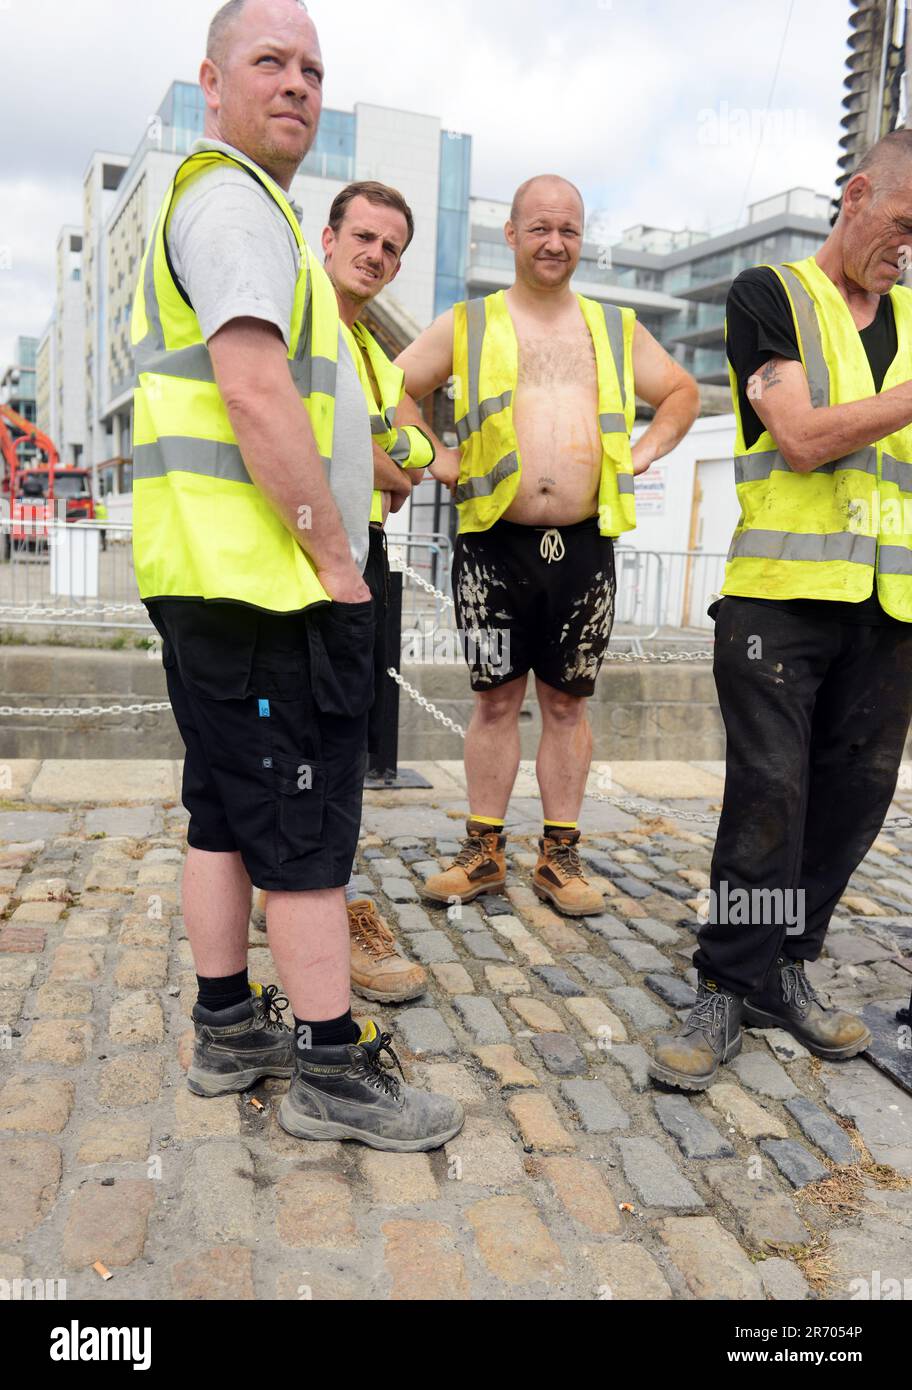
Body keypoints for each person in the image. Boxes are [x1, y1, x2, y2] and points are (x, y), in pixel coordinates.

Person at [132, 0, 463, 1151]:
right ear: (213, 85)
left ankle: (229, 1025)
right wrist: (335, 557)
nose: (297, 85)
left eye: (314, 69)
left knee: (223, 810)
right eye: (269, 62)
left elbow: (314, 409)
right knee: (309, 825)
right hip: (270, 586)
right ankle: (333, 1064)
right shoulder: (233, 203)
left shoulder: (246, 209)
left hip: (214, 577)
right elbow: (254, 392)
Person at [650, 130, 912, 1091]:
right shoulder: (772, 298)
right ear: (857, 193)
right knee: (771, 795)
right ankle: (730, 977)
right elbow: (799, 438)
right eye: (903, 224)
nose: (908, 250)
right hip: (779, 602)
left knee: (854, 800)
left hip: (890, 610)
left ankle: (786, 971)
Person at [396, 175, 700, 916]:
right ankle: (484, 852)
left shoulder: (613, 328)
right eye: (539, 228)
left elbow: (682, 392)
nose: (554, 242)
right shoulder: (468, 323)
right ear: (511, 233)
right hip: (493, 543)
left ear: (581, 238)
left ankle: (559, 857)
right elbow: (392, 387)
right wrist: (433, 456)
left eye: (567, 229)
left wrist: (646, 449)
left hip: (585, 546)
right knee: (494, 701)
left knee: (567, 705)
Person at [253, 179, 435, 1002]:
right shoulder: (301, 324)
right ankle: (314, 910)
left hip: (358, 553)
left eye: (391, 247)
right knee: (309, 751)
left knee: (340, 745)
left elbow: (422, 459)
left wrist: (395, 463)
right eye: (363, 237)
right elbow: (336, 450)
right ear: (326, 240)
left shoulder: (374, 356)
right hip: (303, 558)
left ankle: (297, 895)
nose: (376, 255)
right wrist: (394, 464)